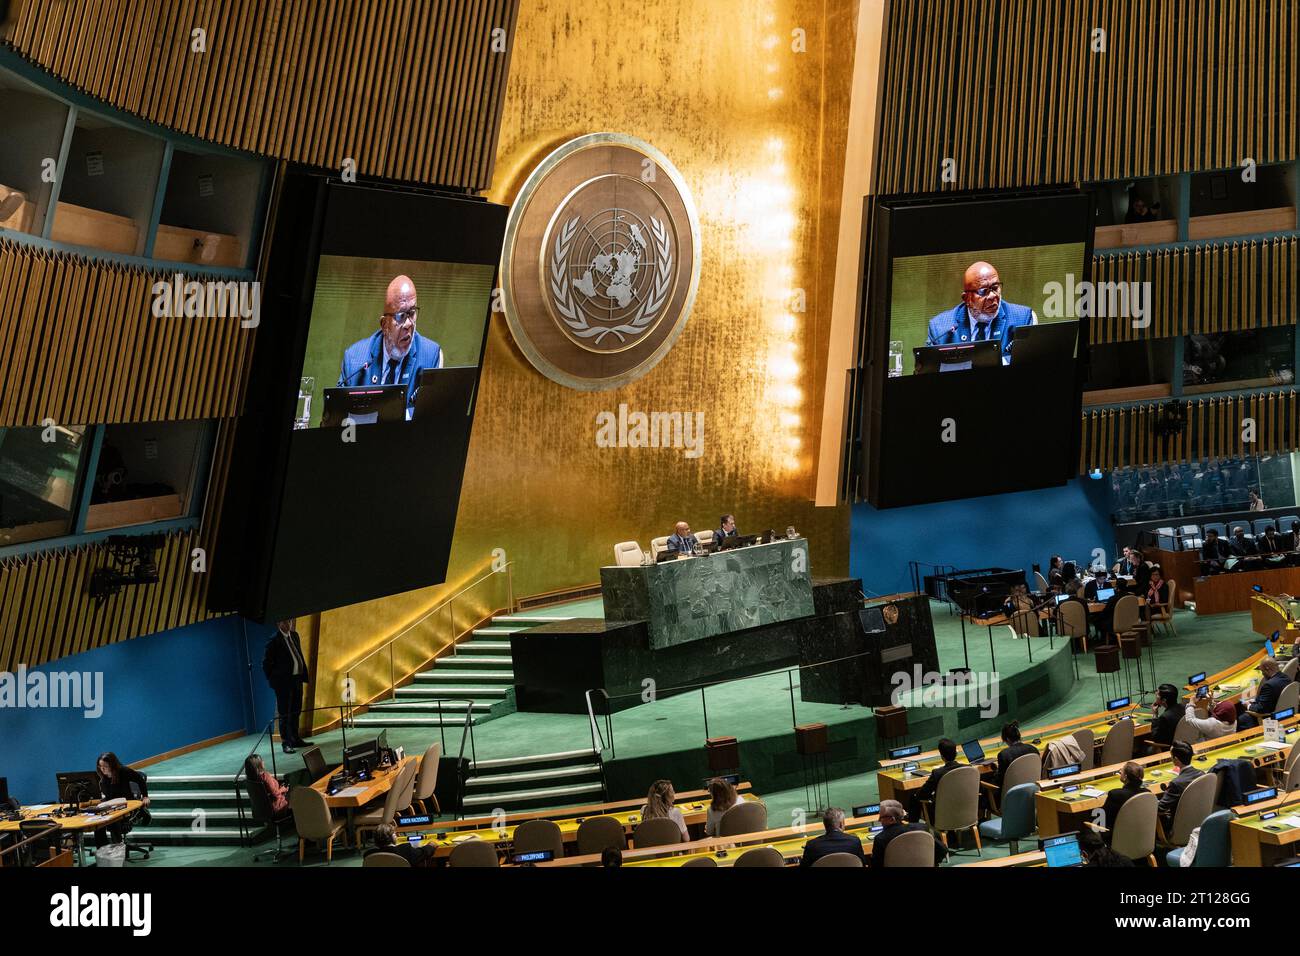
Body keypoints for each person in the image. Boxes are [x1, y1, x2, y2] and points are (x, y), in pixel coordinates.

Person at [336, 275, 444, 420]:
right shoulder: (354, 359)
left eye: (412, 313)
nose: (408, 324)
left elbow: (430, 418)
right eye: (400, 316)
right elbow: (337, 416)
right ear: (384, 324)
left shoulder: (430, 356)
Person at [924, 261, 1036, 363]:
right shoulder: (940, 328)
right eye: (983, 291)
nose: (992, 296)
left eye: (995, 288)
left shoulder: (1022, 319)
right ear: (966, 299)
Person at [263, 619, 312, 754]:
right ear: (278, 624)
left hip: (297, 680)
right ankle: (286, 743)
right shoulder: (273, 640)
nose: (288, 624)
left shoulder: (295, 635)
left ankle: (295, 739)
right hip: (283, 683)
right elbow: (266, 664)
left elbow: (298, 655)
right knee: (285, 714)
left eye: (289, 621)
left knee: (296, 711)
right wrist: (275, 681)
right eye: (284, 622)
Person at [94, 752, 150, 847]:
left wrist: (145, 796)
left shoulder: (123, 771)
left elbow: (140, 780)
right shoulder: (103, 778)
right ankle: (103, 850)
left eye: (105, 766)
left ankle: (118, 850)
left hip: (128, 805)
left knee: (113, 820)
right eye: (100, 766)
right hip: (112, 806)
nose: (102, 769)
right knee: (98, 823)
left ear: (112, 765)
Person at [869, 800, 945, 867]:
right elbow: (942, 850)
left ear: (892, 819)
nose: (879, 821)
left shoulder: (881, 839)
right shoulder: (922, 828)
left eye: (881, 818)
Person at [1157, 742, 1204, 833]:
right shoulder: (1202, 774)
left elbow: (1160, 809)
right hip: (1198, 822)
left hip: (1178, 829)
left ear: (1176, 759)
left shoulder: (1176, 784)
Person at [912, 738, 961, 821]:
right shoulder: (968, 768)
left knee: (914, 797)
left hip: (942, 815)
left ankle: (913, 829)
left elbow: (922, 794)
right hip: (964, 810)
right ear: (956, 753)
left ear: (942, 756)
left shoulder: (937, 773)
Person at [799, 806, 866, 867]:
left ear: (825, 825)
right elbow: (863, 864)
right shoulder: (854, 842)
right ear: (841, 824)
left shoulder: (812, 846)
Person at [1238, 657, 1293, 730]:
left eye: (1262, 671)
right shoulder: (1286, 678)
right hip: (1286, 712)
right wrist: (1255, 701)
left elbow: (1261, 709)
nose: (1262, 674)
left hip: (1269, 717)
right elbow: (1273, 697)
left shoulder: (1269, 685)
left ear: (1267, 669)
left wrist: (1248, 705)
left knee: (1241, 719)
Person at [1098, 762, 1146, 844]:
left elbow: (1102, 819)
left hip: (1117, 840)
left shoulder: (1115, 794)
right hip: (1142, 838)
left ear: (1125, 777)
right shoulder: (1147, 793)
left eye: (1121, 772)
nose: (1120, 773)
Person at [365, 822, 435, 866]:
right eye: (394, 834)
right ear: (393, 837)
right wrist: (431, 845)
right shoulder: (405, 849)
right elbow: (423, 852)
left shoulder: (369, 854)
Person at [995, 722, 1038, 787]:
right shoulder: (1034, 749)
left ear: (1007, 739)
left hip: (1012, 793)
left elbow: (1000, 781)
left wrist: (996, 772)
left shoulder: (1003, 755)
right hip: (1034, 790)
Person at [1150, 684, 1186, 749]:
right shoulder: (1184, 708)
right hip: (1186, 743)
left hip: (1171, 748)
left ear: (1164, 700)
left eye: (1157, 694)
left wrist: (1155, 715)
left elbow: (1155, 738)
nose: (1155, 694)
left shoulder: (1165, 717)